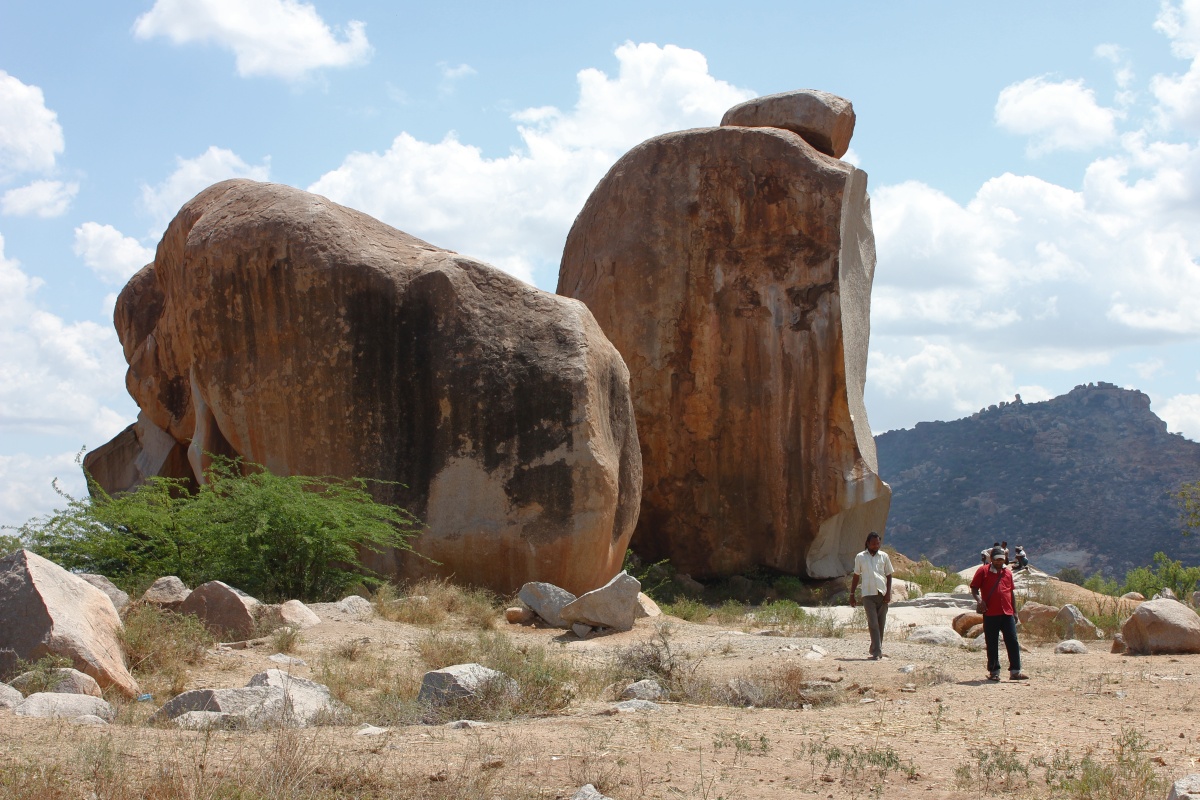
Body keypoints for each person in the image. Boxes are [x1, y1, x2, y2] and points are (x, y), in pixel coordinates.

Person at [971, 547, 1028, 681]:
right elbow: (974, 588)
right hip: (990, 612)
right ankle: (994, 671)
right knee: (992, 642)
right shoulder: (983, 571)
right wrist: (979, 600)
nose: (999, 562)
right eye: (997, 559)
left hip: (1007, 612)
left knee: (1013, 641)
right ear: (992, 559)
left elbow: (1010, 592)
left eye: (1002, 559)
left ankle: (1015, 671)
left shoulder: (1007, 573)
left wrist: (1015, 611)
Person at [850, 531, 893, 660]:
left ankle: (875, 647)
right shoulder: (860, 557)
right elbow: (856, 575)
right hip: (867, 594)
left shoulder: (884, 556)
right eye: (873, 543)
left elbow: (889, 575)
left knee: (881, 623)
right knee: (873, 623)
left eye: (878, 543)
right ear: (868, 543)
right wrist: (852, 594)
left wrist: (888, 593)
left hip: (882, 593)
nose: (876, 545)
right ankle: (876, 653)